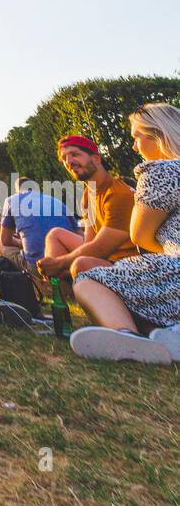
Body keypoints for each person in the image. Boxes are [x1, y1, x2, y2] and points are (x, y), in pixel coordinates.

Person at [71, 104, 180, 364]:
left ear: (158, 134)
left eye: (136, 137)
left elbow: (139, 236)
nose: (134, 147)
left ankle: (129, 337)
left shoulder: (161, 171)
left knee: (87, 278)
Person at [37, 136, 136, 288]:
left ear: (96, 159)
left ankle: (62, 284)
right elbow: (89, 241)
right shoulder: (87, 194)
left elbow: (101, 247)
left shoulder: (118, 194)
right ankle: (59, 290)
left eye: (75, 154)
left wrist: (60, 263)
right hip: (107, 258)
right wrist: (62, 263)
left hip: (129, 264)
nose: (69, 162)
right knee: (55, 234)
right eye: (64, 158)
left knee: (81, 264)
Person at [0, 177, 77, 272]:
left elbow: (5, 240)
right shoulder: (56, 201)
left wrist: (20, 243)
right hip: (69, 262)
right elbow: (78, 234)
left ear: (18, 191)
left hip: (38, 265)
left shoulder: (11, 201)